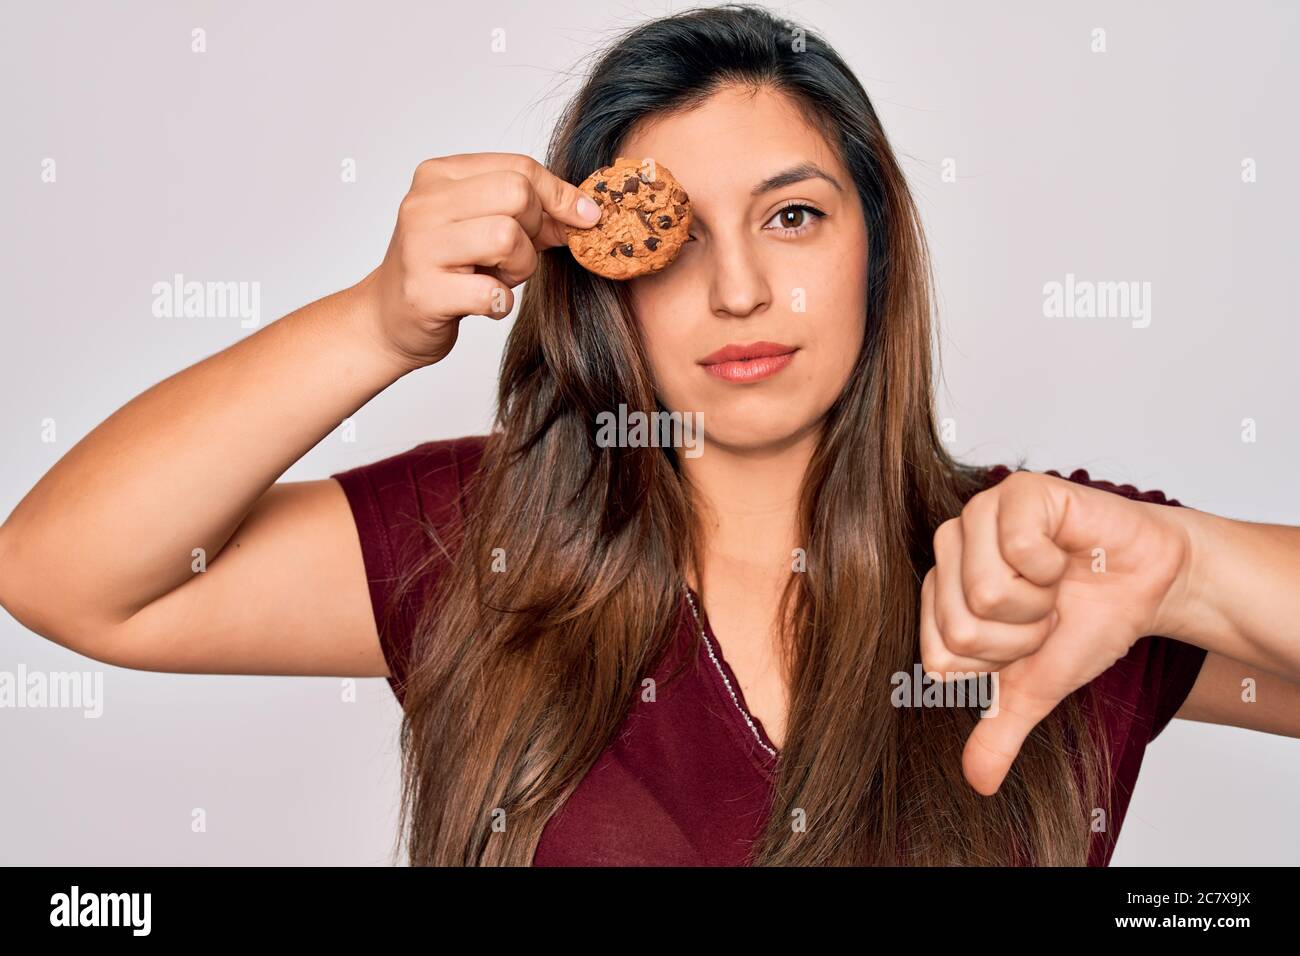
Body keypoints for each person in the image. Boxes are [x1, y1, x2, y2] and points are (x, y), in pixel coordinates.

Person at [2, 4, 1298, 867]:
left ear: (879, 251)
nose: (737, 288)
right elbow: (63, 577)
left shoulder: (1046, 571)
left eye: (792, 218)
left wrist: (1189, 571)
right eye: (674, 236)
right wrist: (377, 323)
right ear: (605, 273)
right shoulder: (489, 549)